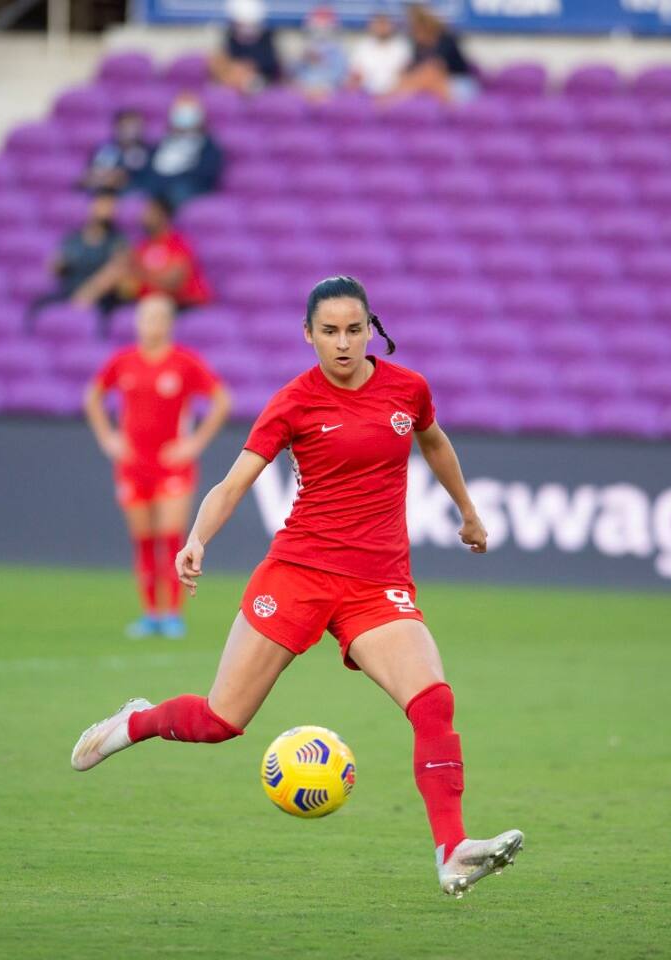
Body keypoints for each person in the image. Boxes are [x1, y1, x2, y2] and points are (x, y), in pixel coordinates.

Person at [70, 276, 525, 899]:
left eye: (354, 330)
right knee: (221, 720)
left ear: (372, 330)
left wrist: (468, 511)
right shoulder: (294, 400)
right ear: (308, 335)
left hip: (378, 584)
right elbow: (234, 483)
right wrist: (197, 538)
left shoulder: (408, 389)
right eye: (329, 332)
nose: (343, 344)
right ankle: (136, 723)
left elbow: (435, 441)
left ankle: (451, 848)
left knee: (433, 703)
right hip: (298, 574)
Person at [83, 293, 232, 638]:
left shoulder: (184, 363)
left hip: (172, 467)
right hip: (133, 465)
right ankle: (150, 612)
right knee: (144, 541)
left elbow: (222, 401)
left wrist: (193, 444)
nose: (151, 325)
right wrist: (109, 438)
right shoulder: (123, 362)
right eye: (146, 318)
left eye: (158, 319)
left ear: (169, 324)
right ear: (137, 323)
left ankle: (173, 613)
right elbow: (93, 397)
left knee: (171, 538)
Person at [71, 194, 213, 312]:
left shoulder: (178, 242)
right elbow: (131, 283)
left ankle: (79, 303)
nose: (143, 216)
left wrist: (136, 269)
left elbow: (172, 283)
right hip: (149, 306)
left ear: (162, 215)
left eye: (149, 211)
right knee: (116, 271)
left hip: (184, 306)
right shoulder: (143, 246)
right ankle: (78, 305)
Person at [31, 189, 130, 318]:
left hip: (101, 299)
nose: (107, 210)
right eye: (103, 204)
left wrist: (88, 294)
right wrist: (56, 264)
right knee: (39, 308)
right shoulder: (74, 238)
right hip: (69, 292)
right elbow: (55, 266)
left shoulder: (117, 241)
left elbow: (114, 272)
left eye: (111, 205)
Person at [144, 92, 224, 210]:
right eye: (180, 112)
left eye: (188, 112)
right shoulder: (162, 142)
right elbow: (149, 168)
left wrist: (172, 180)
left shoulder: (207, 146)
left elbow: (205, 173)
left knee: (177, 192)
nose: (184, 116)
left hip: (182, 190)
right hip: (157, 187)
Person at [389, 5, 477, 105]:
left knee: (430, 73)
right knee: (408, 77)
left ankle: (390, 102)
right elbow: (411, 68)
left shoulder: (446, 39)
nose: (414, 33)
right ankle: (392, 103)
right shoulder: (418, 45)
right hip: (429, 84)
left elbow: (437, 68)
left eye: (415, 29)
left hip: (459, 84)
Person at [210, 0, 281, 93]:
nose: (246, 29)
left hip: (263, 84)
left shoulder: (267, 38)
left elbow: (272, 66)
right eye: (240, 24)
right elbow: (223, 65)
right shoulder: (230, 37)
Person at [81, 110, 153, 195]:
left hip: (128, 198)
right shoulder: (105, 150)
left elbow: (138, 181)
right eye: (124, 126)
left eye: (133, 127)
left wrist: (115, 178)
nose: (129, 131)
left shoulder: (147, 152)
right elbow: (88, 178)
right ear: (116, 127)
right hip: (99, 195)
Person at [291, 6, 349, 101]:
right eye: (317, 24)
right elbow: (292, 72)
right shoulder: (304, 48)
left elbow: (339, 76)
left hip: (327, 93)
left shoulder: (337, 50)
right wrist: (302, 59)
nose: (320, 28)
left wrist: (322, 61)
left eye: (324, 25)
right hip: (303, 92)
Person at [349, 13, 411, 97]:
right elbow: (356, 74)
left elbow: (405, 75)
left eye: (384, 24)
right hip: (366, 94)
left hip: (395, 94)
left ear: (391, 26)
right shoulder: (362, 47)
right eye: (378, 23)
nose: (381, 27)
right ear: (371, 26)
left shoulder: (402, 47)